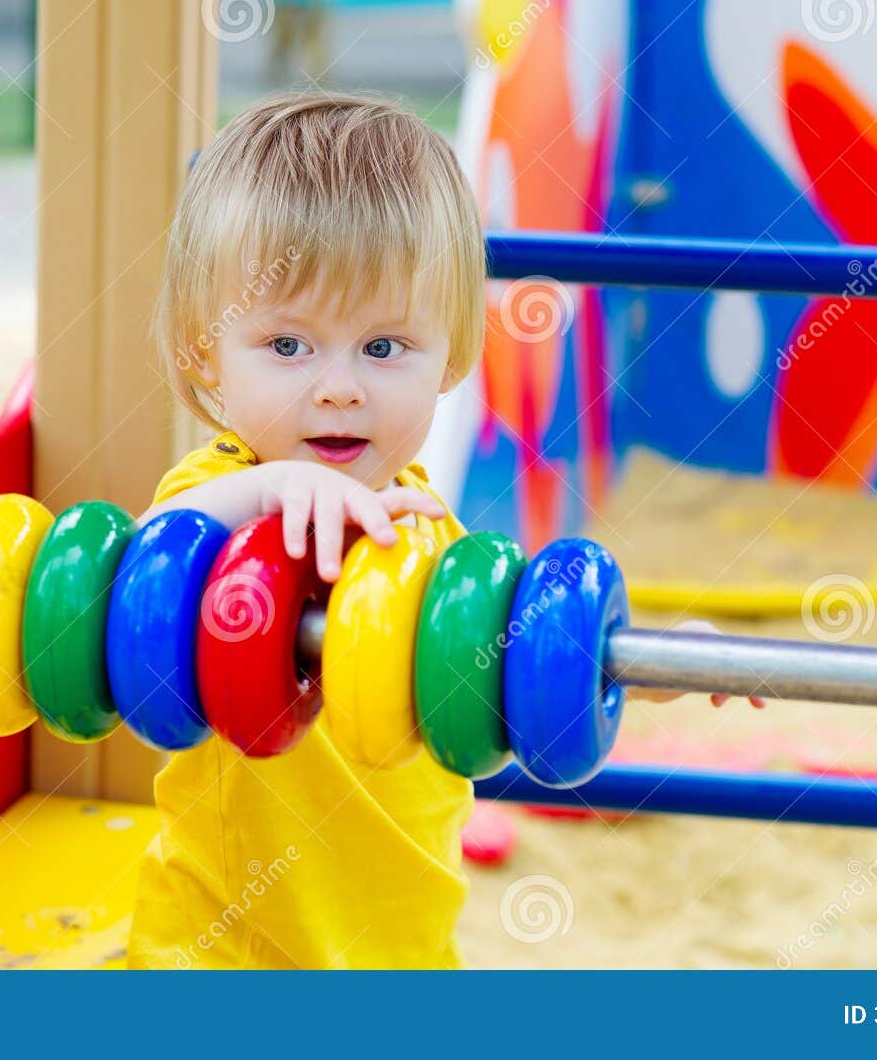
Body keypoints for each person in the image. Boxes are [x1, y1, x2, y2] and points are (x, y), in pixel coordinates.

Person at [127, 90, 758, 970]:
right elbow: (143, 577)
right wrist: (268, 491)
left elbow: (524, 658)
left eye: (384, 348)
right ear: (205, 350)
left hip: (403, 950)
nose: (340, 386)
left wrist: (648, 663)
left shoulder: (431, 528)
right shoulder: (223, 494)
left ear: (454, 352)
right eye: (288, 345)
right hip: (222, 961)